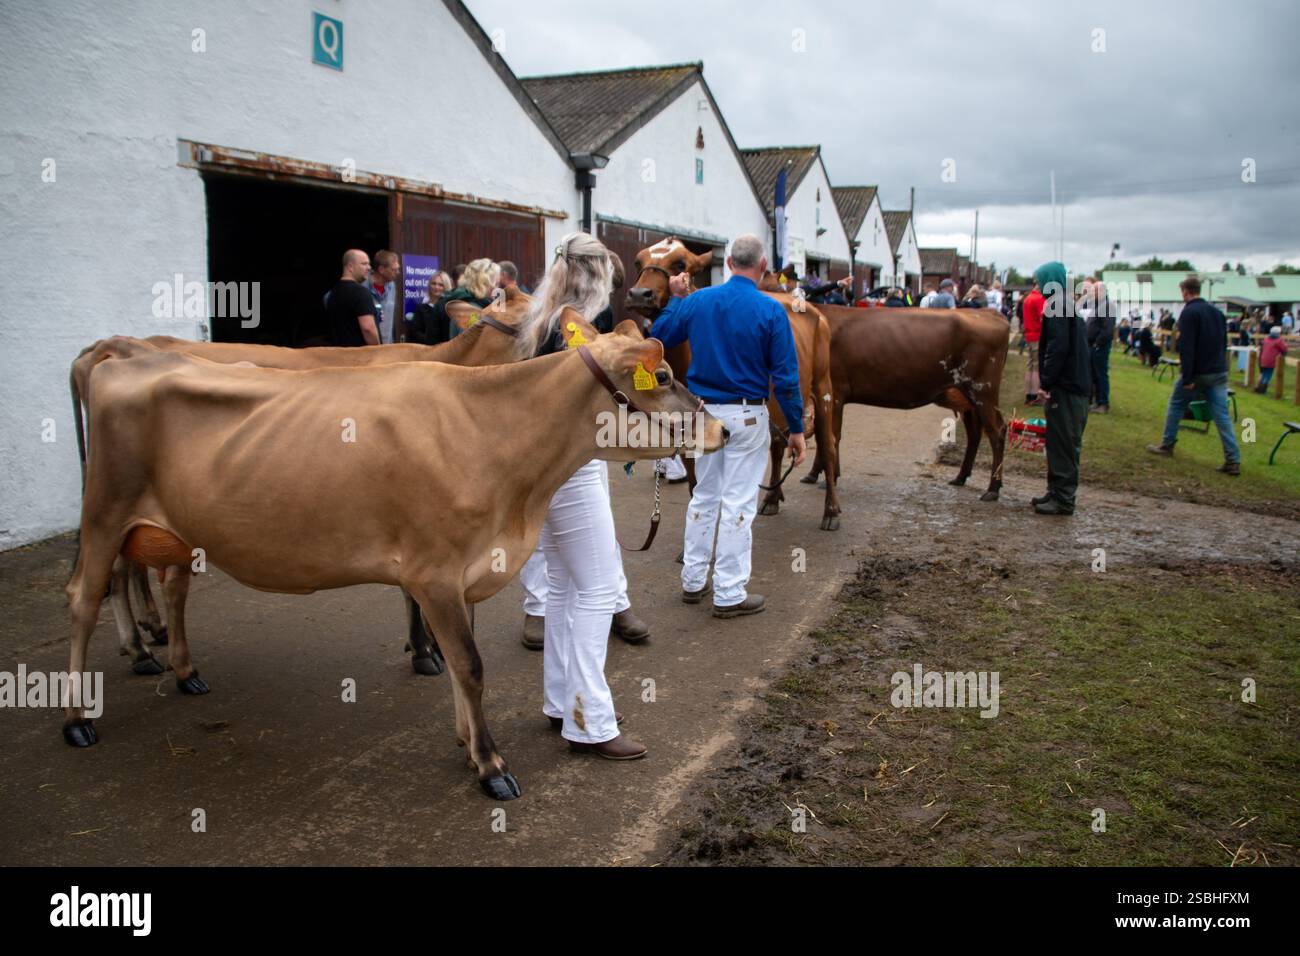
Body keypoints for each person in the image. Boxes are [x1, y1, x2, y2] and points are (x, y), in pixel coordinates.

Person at [515, 231, 645, 760]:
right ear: (599, 277)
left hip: (543, 469)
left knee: (566, 589)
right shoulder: (586, 331)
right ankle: (591, 721)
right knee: (596, 590)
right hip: (574, 468)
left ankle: (561, 702)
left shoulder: (543, 322)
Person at [651, 234, 805, 619]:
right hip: (747, 414)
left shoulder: (699, 301)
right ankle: (729, 593)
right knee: (737, 502)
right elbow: (786, 378)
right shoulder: (771, 311)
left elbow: (660, 339)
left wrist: (675, 299)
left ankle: (692, 581)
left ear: (730, 263)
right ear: (763, 267)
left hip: (703, 414)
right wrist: (798, 428)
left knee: (704, 495)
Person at [1146, 276, 1240, 475]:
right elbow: (1223, 343)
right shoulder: (1217, 313)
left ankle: (1167, 444)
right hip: (1219, 370)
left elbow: (1186, 347)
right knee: (1222, 415)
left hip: (1199, 371)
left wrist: (1187, 377)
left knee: (1176, 403)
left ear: (1185, 292)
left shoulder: (1189, 313)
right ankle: (1233, 459)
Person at [1031, 261, 1089, 515]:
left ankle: (1063, 498)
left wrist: (1046, 382)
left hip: (1067, 387)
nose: (1038, 285)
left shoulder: (1057, 306)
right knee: (1058, 441)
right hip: (1074, 385)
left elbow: (1057, 348)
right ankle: (1055, 492)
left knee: (1064, 442)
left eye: (1039, 280)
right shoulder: (1066, 304)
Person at [324, 249, 379, 347]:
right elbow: (368, 329)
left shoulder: (332, 293)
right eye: (364, 264)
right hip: (359, 357)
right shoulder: (360, 292)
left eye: (369, 264)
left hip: (337, 355)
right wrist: (378, 349)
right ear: (350, 267)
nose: (369, 268)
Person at [438, 258, 498, 340]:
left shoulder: (469, 303)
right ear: (484, 284)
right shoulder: (471, 311)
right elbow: (468, 347)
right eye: (496, 283)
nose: (497, 288)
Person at [1085, 279, 1116, 413]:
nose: (1092, 292)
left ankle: (1103, 403)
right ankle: (1097, 402)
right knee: (1094, 375)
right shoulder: (1098, 305)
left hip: (1100, 346)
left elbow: (1107, 329)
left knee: (1100, 374)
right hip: (1093, 345)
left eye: (1095, 290)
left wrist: (1098, 343)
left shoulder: (1107, 306)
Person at [406, 271, 454, 345]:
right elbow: (415, 333)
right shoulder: (421, 309)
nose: (436, 287)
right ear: (429, 285)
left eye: (441, 285)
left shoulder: (450, 309)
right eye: (434, 283)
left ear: (446, 287)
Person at [366, 250, 400, 344]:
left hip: (386, 346)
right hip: (367, 347)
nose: (398, 272)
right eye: (394, 270)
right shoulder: (362, 286)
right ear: (381, 269)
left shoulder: (392, 286)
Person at [1022, 279, 1045, 403]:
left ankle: (1028, 393)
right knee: (1037, 366)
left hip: (1028, 335)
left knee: (1030, 365)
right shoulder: (1039, 299)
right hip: (1037, 334)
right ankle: (1035, 394)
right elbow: (1043, 318)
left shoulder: (1027, 299)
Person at [1257, 326, 1288, 392]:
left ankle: (1259, 387)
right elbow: (1284, 349)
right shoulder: (1279, 340)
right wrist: (1283, 354)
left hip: (1263, 359)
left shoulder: (1266, 339)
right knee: (1268, 375)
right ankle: (1262, 389)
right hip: (1271, 360)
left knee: (1263, 374)